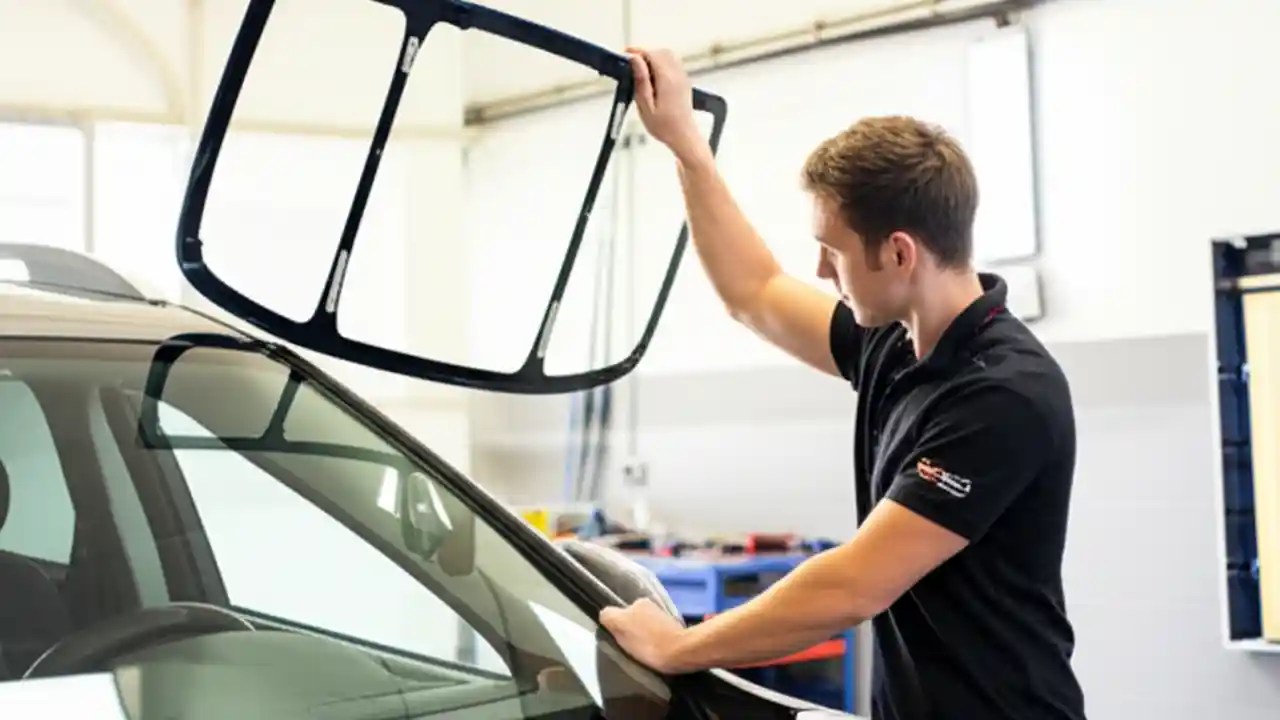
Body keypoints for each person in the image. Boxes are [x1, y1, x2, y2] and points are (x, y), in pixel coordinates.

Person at [598, 47, 1087, 720]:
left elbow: (853, 587)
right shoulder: (896, 343)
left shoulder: (1002, 396)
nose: (822, 271)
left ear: (898, 252)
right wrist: (688, 148)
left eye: (832, 250)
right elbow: (754, 291)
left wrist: (679, 647)